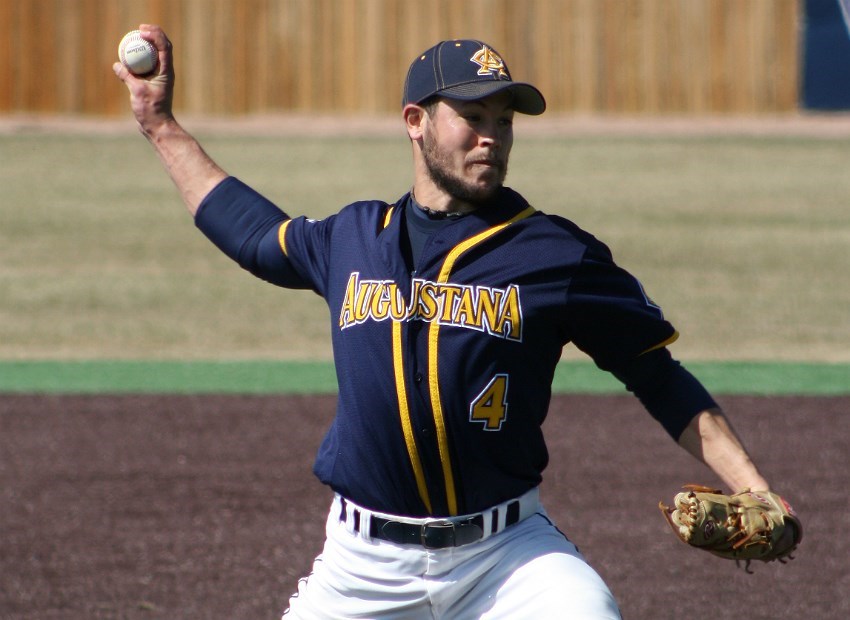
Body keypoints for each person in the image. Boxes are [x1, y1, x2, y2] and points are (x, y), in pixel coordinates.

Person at [114, 26, 792, 619]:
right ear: (416, 120)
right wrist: (160, 126)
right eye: (471, 113)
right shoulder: (352, 238)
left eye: (505, 117)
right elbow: (254, 235)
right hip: (362, 568)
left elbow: (659, 377)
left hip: (507, 558)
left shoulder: (557, 254)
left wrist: (754, 489)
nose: (491, 134)